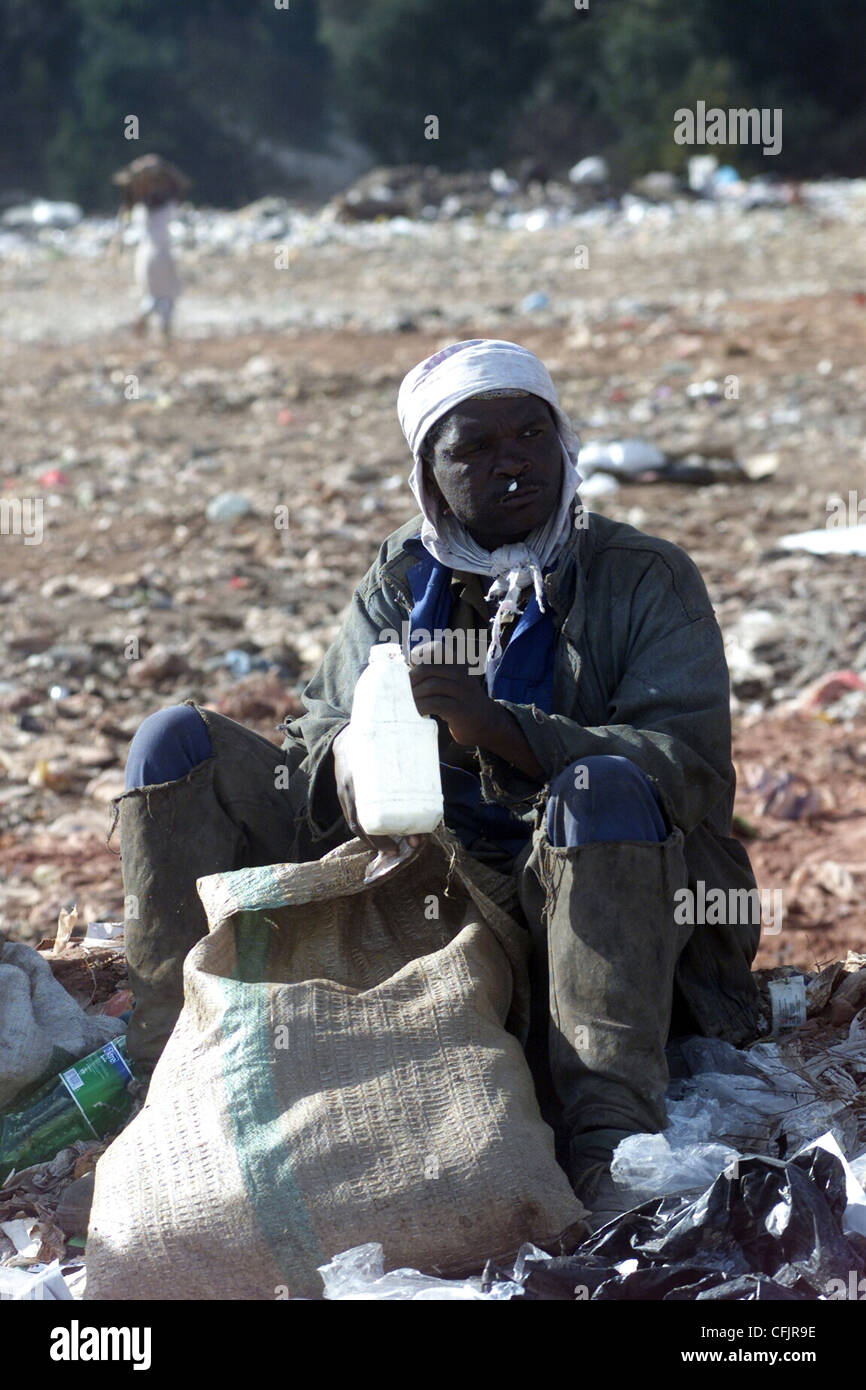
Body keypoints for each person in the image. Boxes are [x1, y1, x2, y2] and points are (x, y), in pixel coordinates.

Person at [109, 338, 760, 1226]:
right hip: (436, 883)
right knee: (174, 745)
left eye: (532, 434)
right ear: (427, 472)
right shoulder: (402, 578)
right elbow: (312, 737)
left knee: (601, 785)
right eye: (474, 449)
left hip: (608, 904)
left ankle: (609, 1137)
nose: (513, 462)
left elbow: (688, 771)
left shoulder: (640, 576)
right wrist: (355, 757)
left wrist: (506, 731)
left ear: (565, 445)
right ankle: (167, 1081)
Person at [112, 154, 187, 339]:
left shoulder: (140, 210)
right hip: (160, 254)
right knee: (166, 295)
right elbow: (178, 188)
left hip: (144, 256)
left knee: (154, 295)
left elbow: (129, 199)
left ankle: (146, 323)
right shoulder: (163, 209)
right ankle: (164, 330)